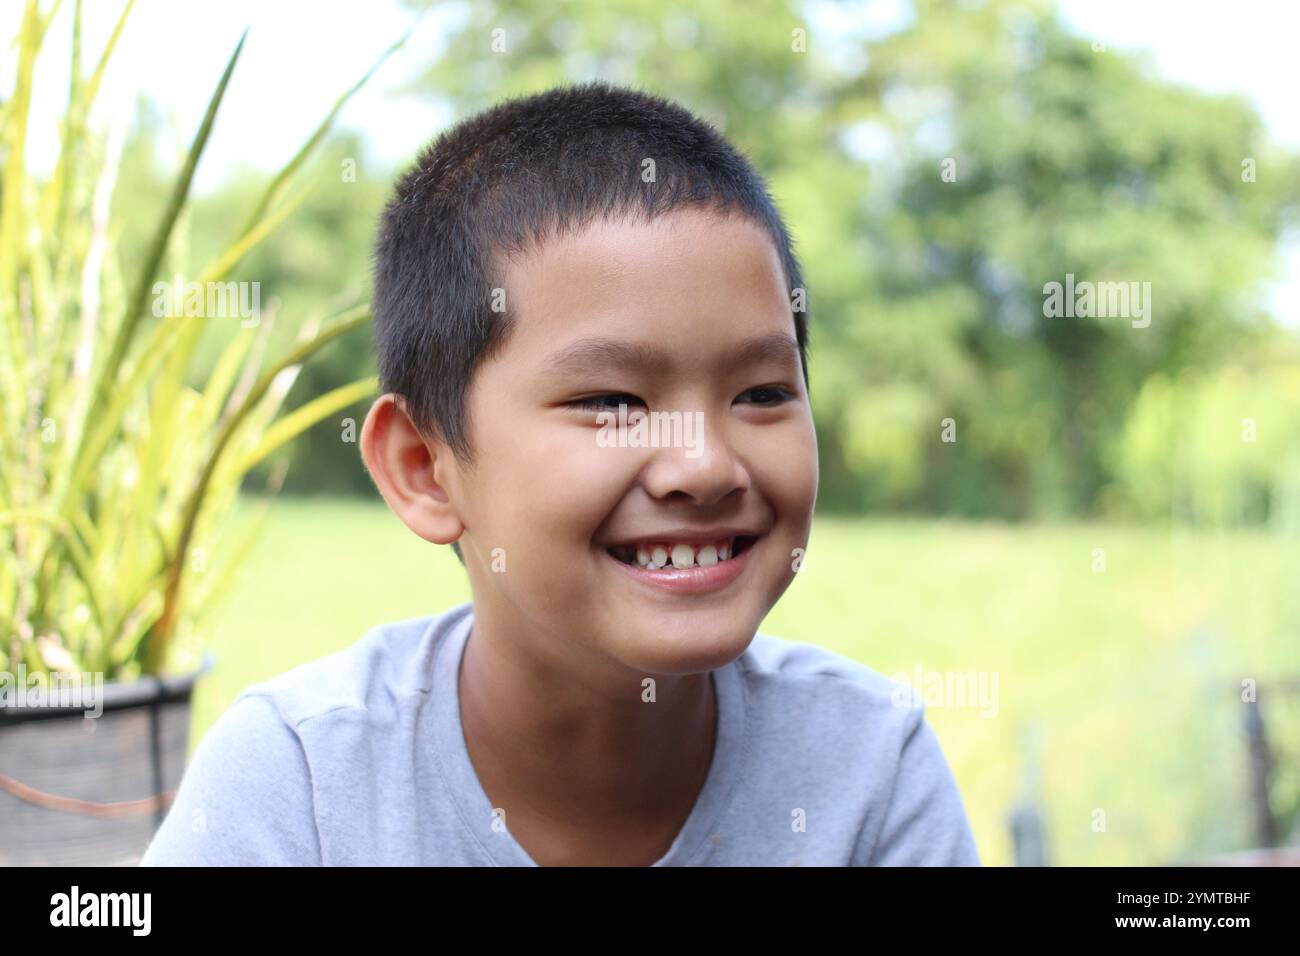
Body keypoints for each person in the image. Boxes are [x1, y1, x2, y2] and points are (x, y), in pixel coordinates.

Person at [141, 81, 979, 866]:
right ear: (425, 468)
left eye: (760, 392)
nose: (705, 465)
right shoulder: (301, 786)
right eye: (611, 401)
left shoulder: (869, 770)